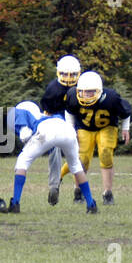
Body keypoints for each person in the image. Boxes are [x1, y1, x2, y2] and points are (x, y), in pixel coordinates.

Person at [8, 101, 97, 213]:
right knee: (75, 166)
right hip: (67, 130)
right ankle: (91, 204)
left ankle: (15, 203)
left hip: (46, 131)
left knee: (22, 162)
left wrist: (28, 141)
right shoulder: (45, 116)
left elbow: (25, 134)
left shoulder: (20, 111)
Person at [63, 70, 132, 205]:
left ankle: (107, 193)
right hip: (84, 127)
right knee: (81, 159)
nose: (85, 95)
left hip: (106, 127)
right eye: (82, 91)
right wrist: (70, 129)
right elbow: (69, 112)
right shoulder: (73, 95)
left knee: (106, 154)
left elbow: (125, 112)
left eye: (90, 92)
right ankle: (78, 191)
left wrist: (125, 128)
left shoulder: (111, 98)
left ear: (99, 91)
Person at [41, 55, 79, 205]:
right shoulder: (53, 89)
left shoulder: (83, 87)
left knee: (80, 155)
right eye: (65, 74)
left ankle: (78, 190)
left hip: (77, 122)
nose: (69, 78)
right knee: (55, 149)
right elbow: (48, 113)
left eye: (72, 74)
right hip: (58, 120)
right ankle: (54, 185)